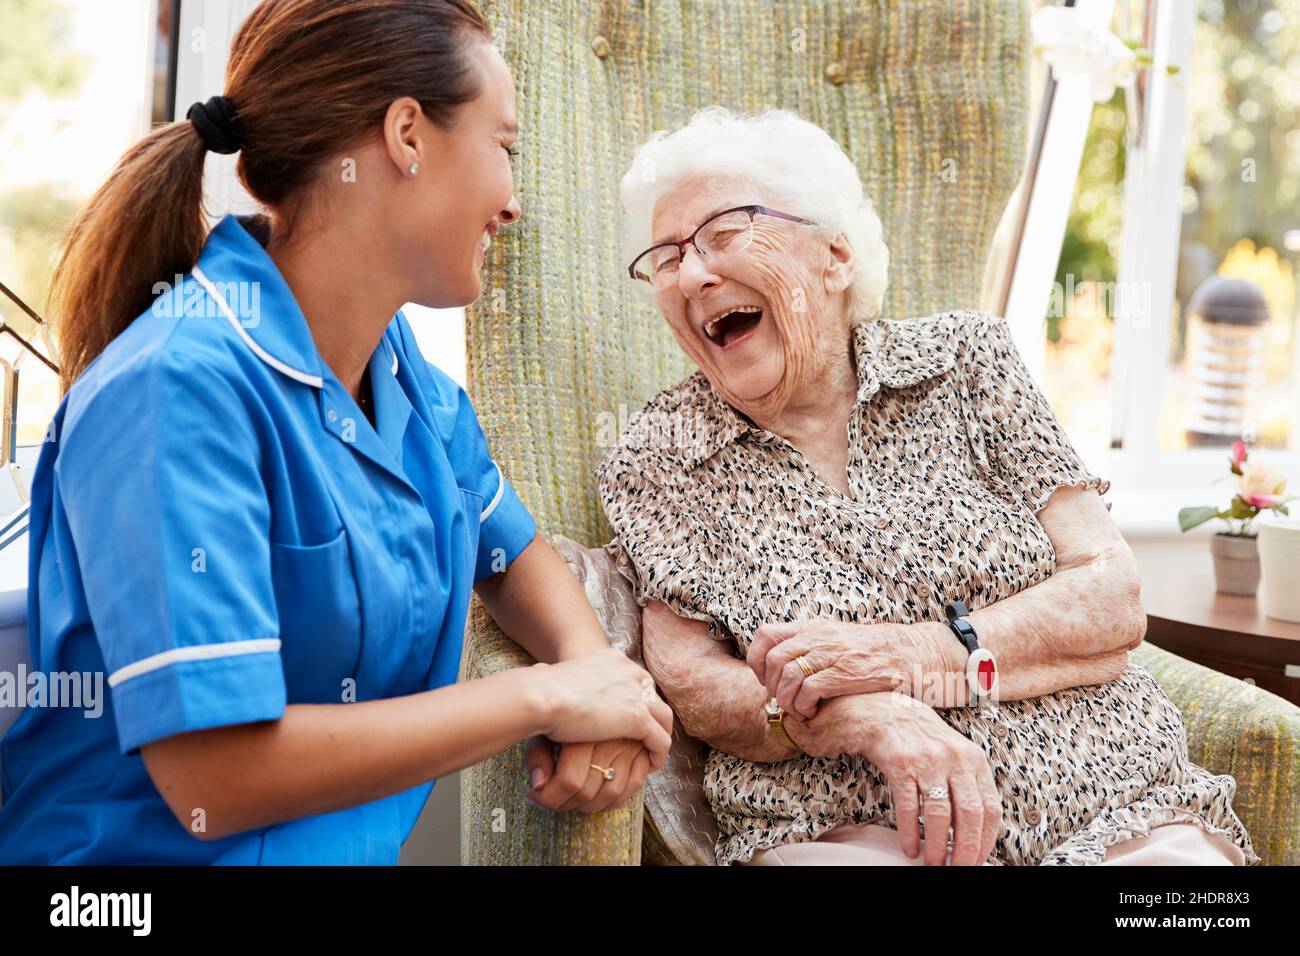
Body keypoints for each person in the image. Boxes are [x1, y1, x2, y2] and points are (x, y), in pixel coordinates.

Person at [0, 0, 670, 865]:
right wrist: (546, 698)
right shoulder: (175, 390)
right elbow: (215, 778)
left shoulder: (395, 372)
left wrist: (596, 674)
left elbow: (509, 552)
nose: (512, 201)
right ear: (407, 135)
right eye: (503, 147)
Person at [599, 107, 1258, 866]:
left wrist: (906, 658)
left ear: (835, 256)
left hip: (1119, 804)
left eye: (722, 234)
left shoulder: (967, 361)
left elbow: (1111, 598)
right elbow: (699, 690)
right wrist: (873, 718)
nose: (693, 273)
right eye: (667, 257)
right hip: (851, 825)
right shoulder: (661, 454)